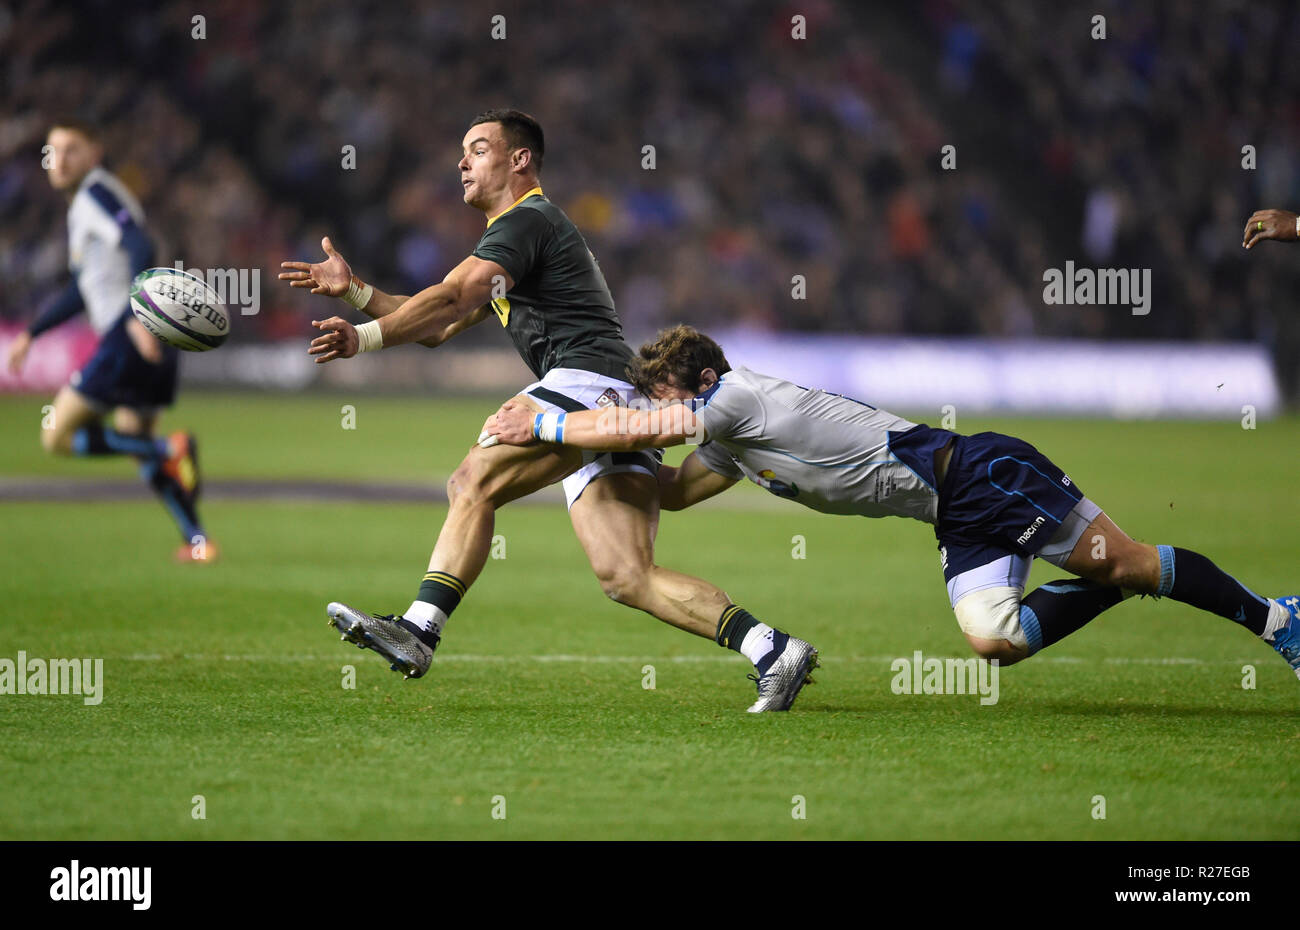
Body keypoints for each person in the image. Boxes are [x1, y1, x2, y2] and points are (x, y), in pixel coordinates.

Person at [279, 110, 817, 712]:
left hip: (589, 382)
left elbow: (451, 297)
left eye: (478, 149)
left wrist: (364, 337)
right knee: (626, 576)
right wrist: (357, 294)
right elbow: (442, 322)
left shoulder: (526, 218)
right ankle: (773, 649)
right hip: (617, 395)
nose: (461, 162)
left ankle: (420, 628)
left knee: (471, 481)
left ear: (520, 160)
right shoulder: (521, 236)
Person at [482, 324, 1300, 679]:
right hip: (951, 515)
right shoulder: (727, 444)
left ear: (697, 382)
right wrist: (579, 469)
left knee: (1131, 560)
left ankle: (1277, 621)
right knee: (996, 642)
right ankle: (1121, 583)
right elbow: (668, 489)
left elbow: (657, 426)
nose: (667, 424)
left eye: (665, 399)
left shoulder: (733, 396)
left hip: (982, 473)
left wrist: (550, 419)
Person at [5, 119, 212, 562]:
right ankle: (198, 540)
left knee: (55, 434)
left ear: (95, 153)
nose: (58, 161)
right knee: (133, 442)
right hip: (154, 335)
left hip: (129, 333)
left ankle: (167, 448)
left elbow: (141, 247)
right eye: (51, 152)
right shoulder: (93, 201)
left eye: (71, 149)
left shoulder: (94, 195)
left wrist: (138, 315)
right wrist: (33, 332)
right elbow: (85, 288)